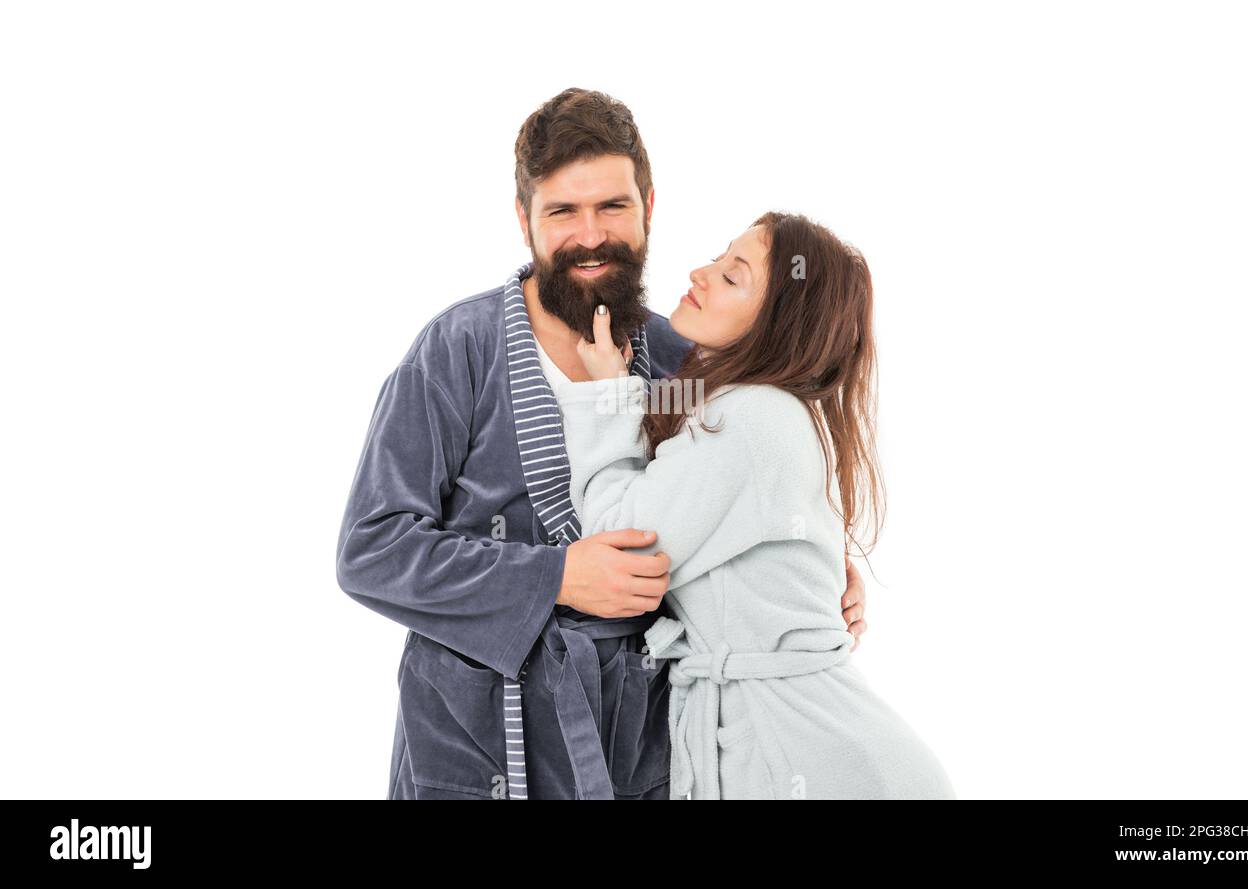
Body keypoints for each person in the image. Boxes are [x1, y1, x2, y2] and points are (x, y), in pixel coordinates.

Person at [334, 88, 869, 799]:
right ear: (524, 220)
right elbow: (372, 548)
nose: (591, 235)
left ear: (650, 206)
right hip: (472, 747)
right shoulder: (455, 352)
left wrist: (807, 572)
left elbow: (727, 501)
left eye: (613, 207)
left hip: (639, 749)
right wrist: (554, 576)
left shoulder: (684, 356)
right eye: (563, 211)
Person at [559, 212, 958, 799]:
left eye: (732, 278)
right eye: (719, 259)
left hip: (821, 764)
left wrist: (603, 397)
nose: (700, 273)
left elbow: (616, 539)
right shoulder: (769, 411)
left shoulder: (748, 417)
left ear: (777, 323)